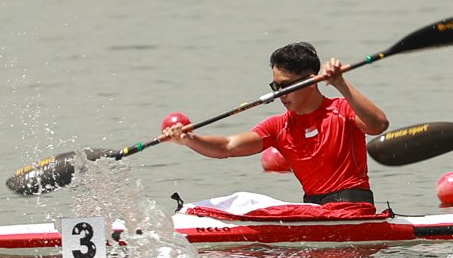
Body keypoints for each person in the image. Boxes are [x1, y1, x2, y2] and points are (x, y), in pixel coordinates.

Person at [163, 42, 387, 207]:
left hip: (354, 209)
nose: (280, 94)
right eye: (275, 87)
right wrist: (189, 139)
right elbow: (226, 147)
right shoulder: (279, 126)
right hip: (315, 210)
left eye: (285, 86)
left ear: (311, 81)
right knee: (245, 201)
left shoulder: (342, 109)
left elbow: (378, 125)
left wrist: (340, 83)